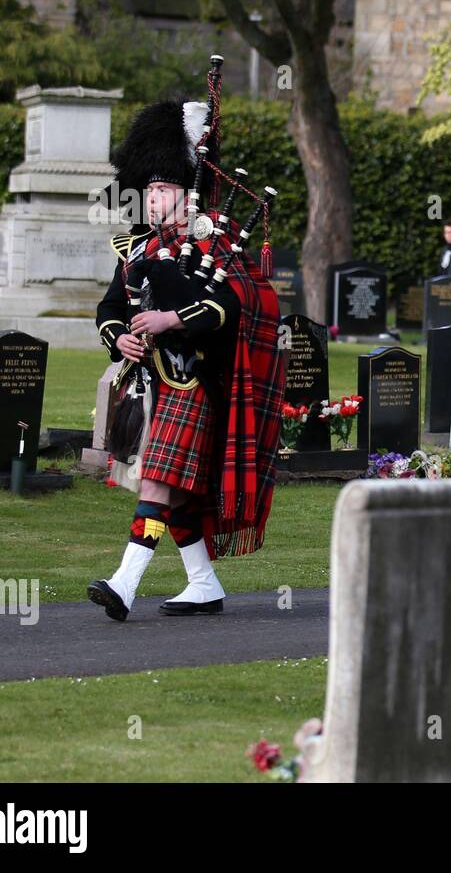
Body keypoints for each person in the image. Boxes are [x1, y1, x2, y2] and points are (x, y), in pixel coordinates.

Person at [89, 92, 283, 621]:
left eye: (163, 190)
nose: (152, 200)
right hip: (149, 381)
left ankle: (124, 584)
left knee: (157, 480)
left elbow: (232, 305)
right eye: (148, 191)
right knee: (175, 493)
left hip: (195, 381)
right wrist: (120, 338)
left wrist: (170, 320)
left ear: (187, 194)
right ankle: (202, 583)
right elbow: (108, 309)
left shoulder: (214, 245)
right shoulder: (136, 249)